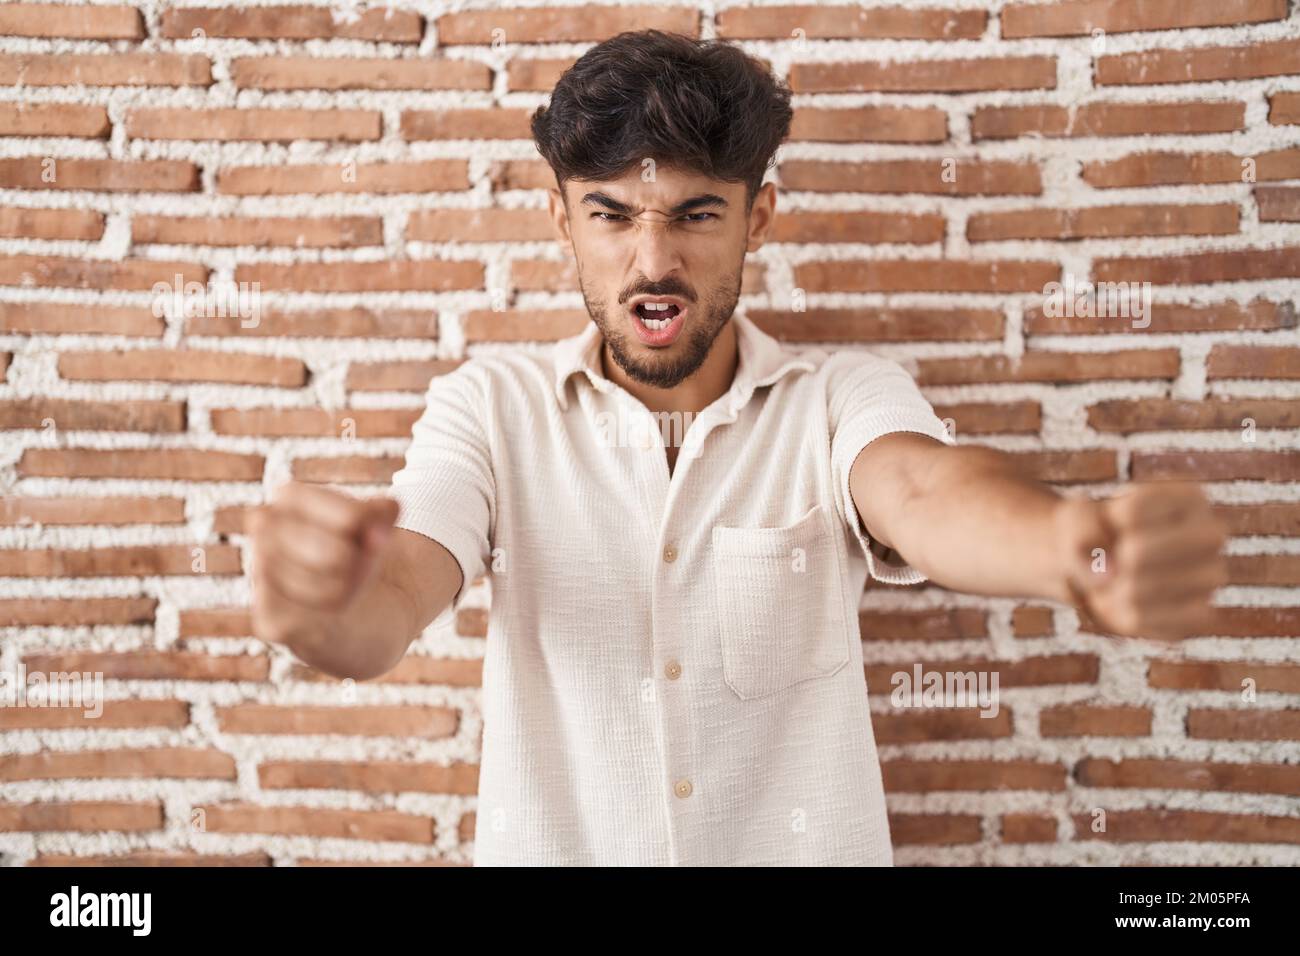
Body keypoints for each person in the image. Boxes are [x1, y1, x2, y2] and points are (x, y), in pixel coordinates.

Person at [246, 30, 1228, 866]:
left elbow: (924, 492)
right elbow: (394, 601)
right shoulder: (489, 409)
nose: (652, 262)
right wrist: (313, 610)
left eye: (696, 214)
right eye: (612, 215)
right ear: (561, 219)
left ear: (757, 215)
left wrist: (1069, 547)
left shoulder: (837, 396)